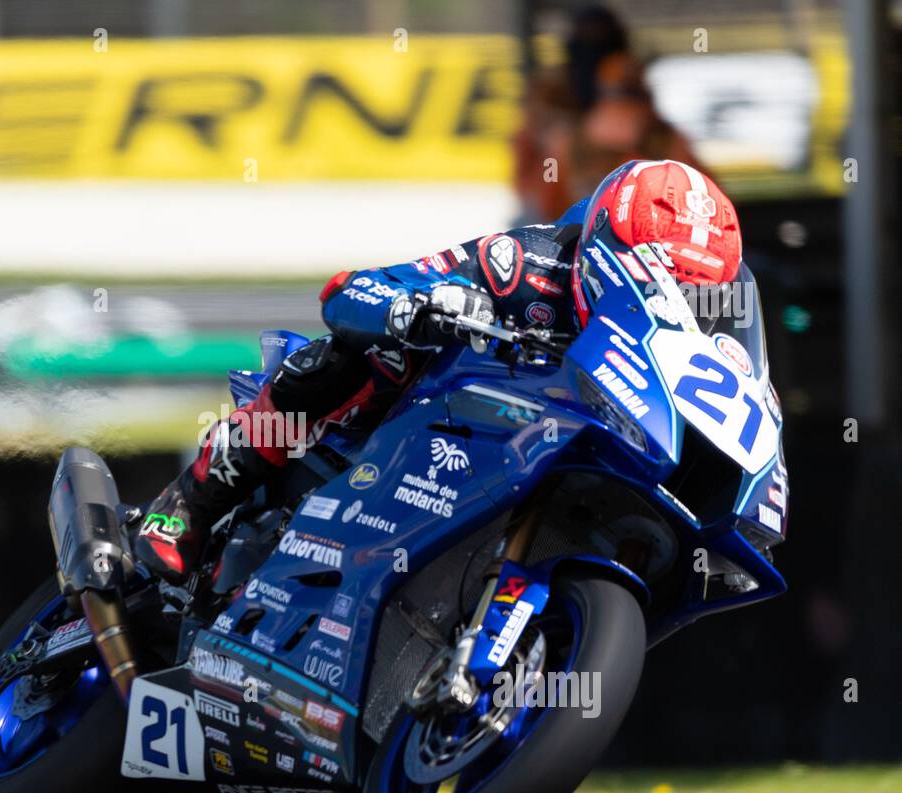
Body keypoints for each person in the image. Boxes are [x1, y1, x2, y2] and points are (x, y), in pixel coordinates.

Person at [135, 159, 743, 582]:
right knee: (359, 357)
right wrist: (415, 307)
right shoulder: (523, 263)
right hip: (418, 431)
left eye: (693, 294)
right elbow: (352, 290)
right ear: (605, 246)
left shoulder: (695, 353)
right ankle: (188, 504)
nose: (670, 301)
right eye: (657, 278)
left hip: (530, 467)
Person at [513, 5, 705, 222]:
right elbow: (527, 188)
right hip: (564, 218)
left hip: (639, 216)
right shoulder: (551, 98)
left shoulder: (653, 128)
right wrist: (573, 144)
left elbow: (700, 194)